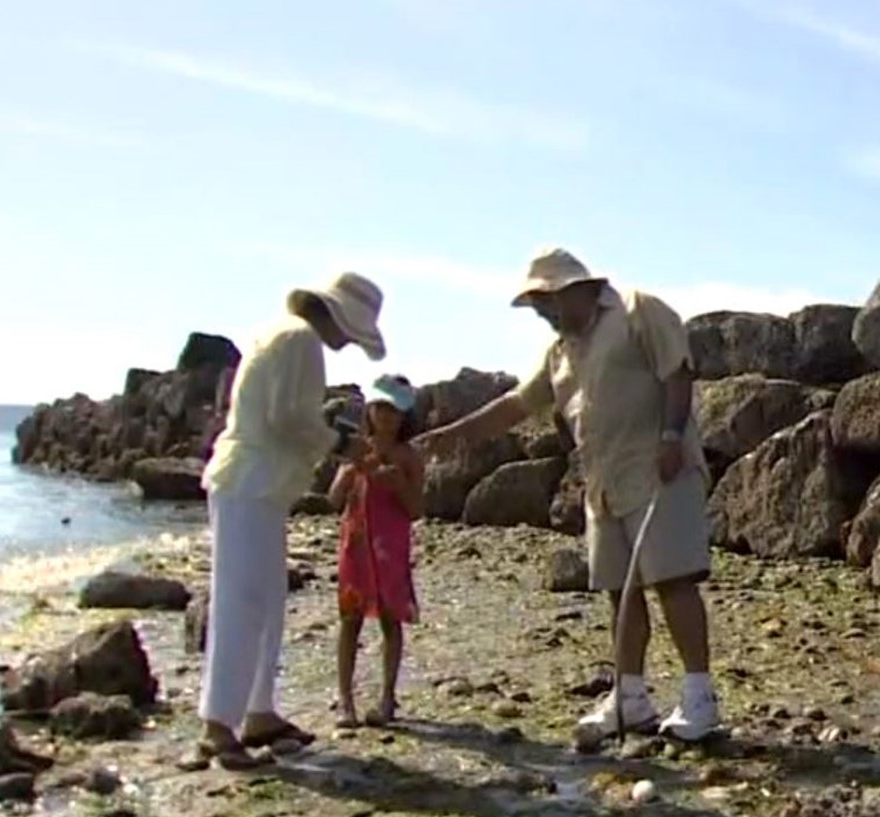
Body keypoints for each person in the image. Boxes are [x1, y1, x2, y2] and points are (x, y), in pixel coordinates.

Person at [414, 247, 720, 746]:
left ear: (572, 289)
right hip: (603, 481)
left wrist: (670, 438)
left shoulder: (638, 309)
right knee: (618, 591)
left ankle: (700, 697)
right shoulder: (560, 351)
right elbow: (518, 403)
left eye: (545, 304)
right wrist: (455, 434)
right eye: (537, 309)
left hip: (658, 469)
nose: (544, 316)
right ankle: (630, 696)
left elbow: (676, 372)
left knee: (672, 581)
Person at [194, 271, 388, 769]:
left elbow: (285, 414)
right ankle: (219, 725)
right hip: (251, 481)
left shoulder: (282, 333)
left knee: (265, 600)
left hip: (254, 482)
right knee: (243, 603)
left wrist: (331, 438)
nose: (347, 343)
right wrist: (342, 444)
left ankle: (257, 711)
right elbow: (287, 419)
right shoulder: (300, 339)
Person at [331, 373, 424, 728]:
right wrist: (351, 469)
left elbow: (416, 508)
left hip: (390, 547)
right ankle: (345, 700)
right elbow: (334, 499)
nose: (386, 417)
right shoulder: (357, 451)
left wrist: (397, 483)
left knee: (391, 620)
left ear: (405, 416)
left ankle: (387, 697)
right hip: (355, 547)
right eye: (380, 408)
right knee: (349, 621)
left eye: (394, 410)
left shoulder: (408, 456)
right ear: (369, 410)